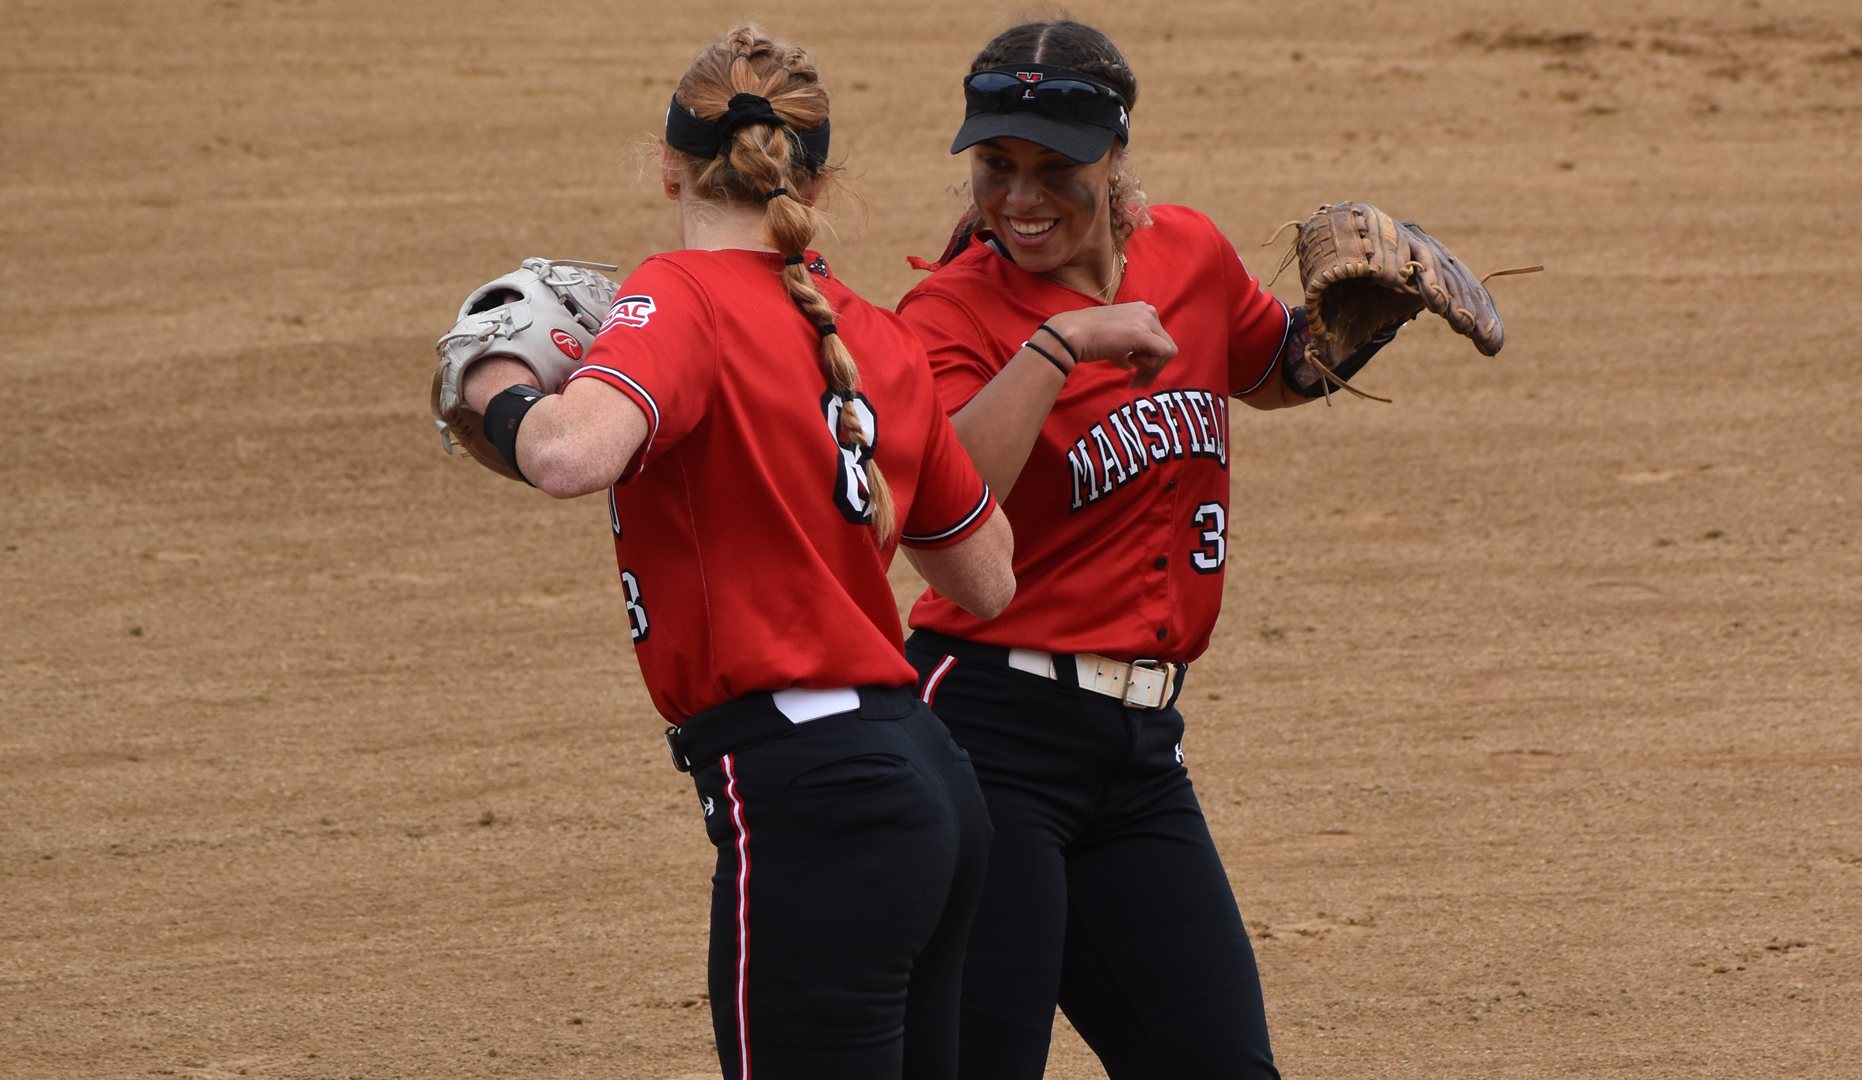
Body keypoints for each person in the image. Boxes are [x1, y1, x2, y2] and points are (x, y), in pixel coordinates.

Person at [458, 26, 1015, 1080]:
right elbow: (987, 577)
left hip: (817, 803)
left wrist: (494, 384)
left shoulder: (677, 295)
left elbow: (571, 455)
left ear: (667, 166)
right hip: (934, 791)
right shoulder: (870, 335)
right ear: (819, 178)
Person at [894, 20, 1405, 1080]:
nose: (1020, 198)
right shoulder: (948, 311)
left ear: (1115, 158)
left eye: (1055, 170)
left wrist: (1348, 334)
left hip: (1139, 758)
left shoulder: (1191, 253)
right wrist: (1061, 342)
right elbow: (946, 501)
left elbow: (1267, 368)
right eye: (996, 165)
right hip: (988, 738)